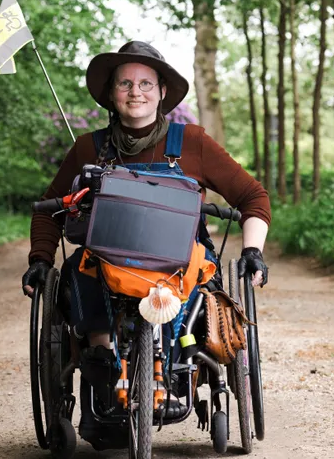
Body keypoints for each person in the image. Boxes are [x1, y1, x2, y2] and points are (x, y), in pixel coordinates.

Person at [21, 41, 271, 441]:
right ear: (111, 93)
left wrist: (253, 251)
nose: (135, 92)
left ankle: (179, 361)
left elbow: (253, 198)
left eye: (145, 84)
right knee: (79, 265)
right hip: (106, 257)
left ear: (162, 92)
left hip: (179, 258)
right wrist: (39, 258)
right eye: (125, 84)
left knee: (194, 274)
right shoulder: (89, 148)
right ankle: (101, 353)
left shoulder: (192, 143)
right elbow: (49, 209)